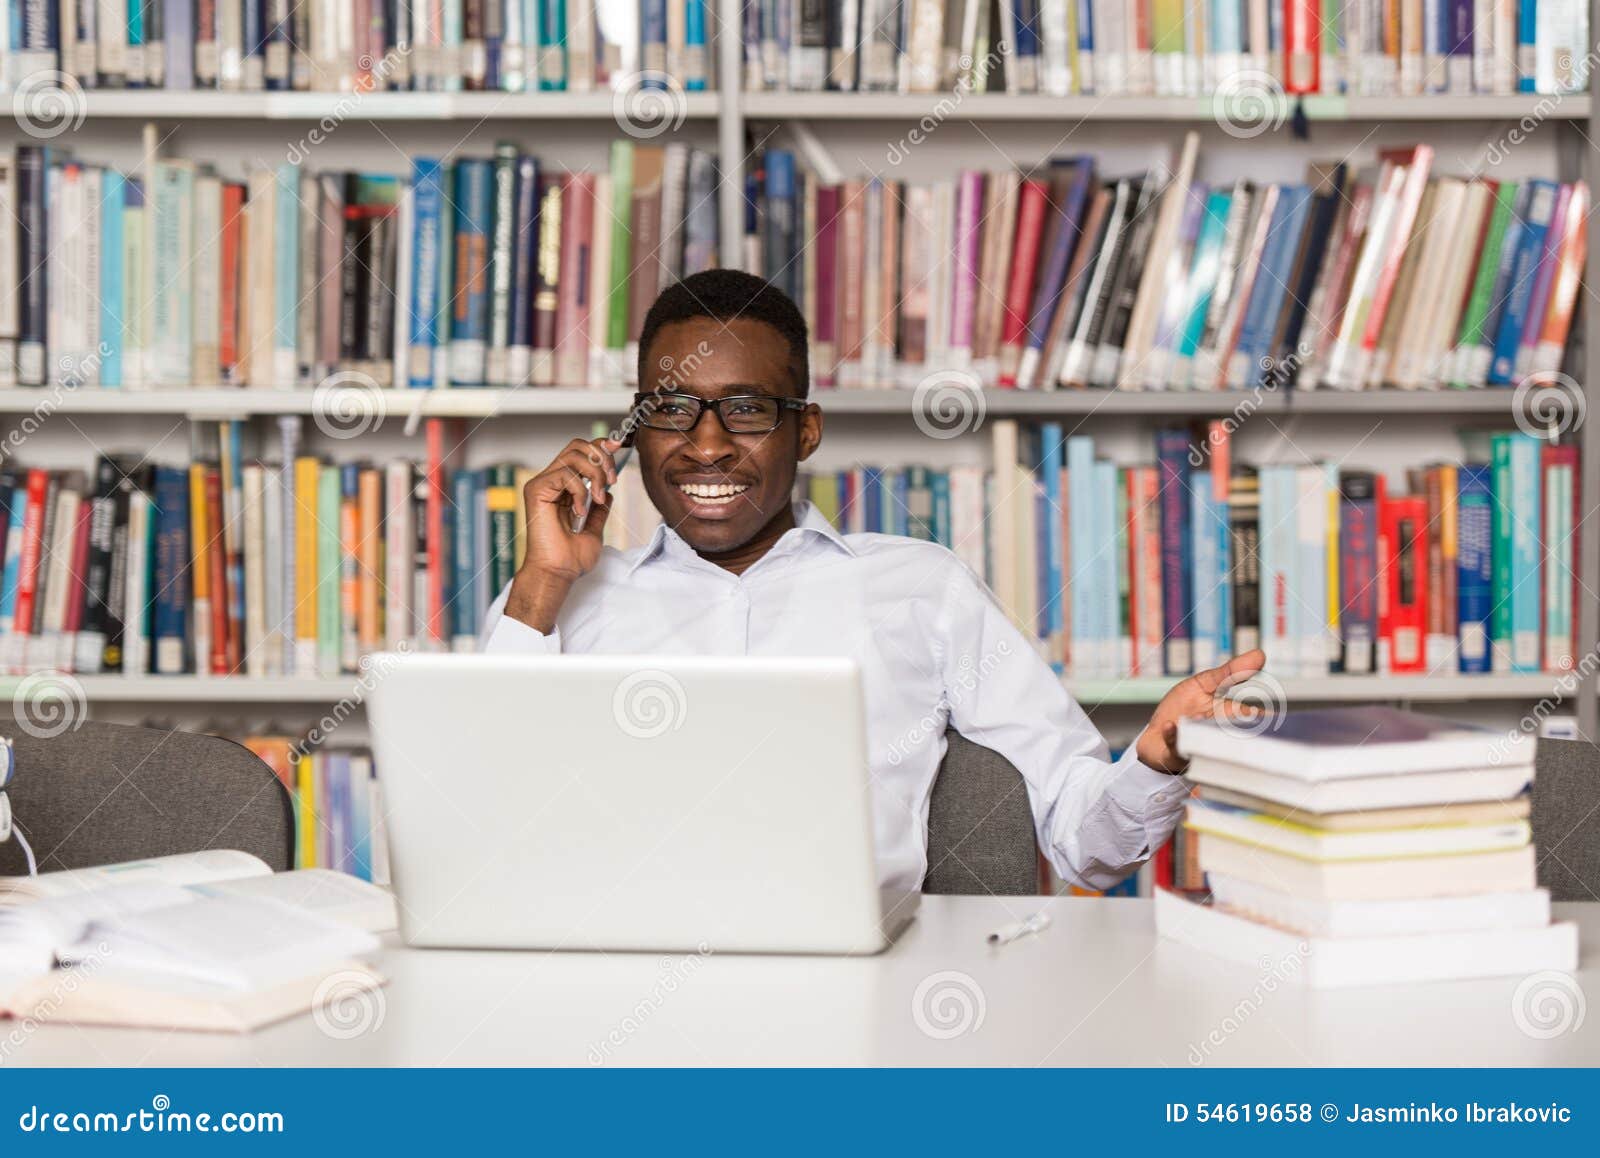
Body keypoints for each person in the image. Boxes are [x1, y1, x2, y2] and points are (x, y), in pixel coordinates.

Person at [479, 269, 1267, 894]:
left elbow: (1086, 843)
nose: (707, 446)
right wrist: (540, 585)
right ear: (632, 431)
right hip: (612, 997)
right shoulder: (559, 599)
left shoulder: (920, 590)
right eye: (673, 408)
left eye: (748, 410)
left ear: (807, 429)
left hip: (863, 1001)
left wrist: (1155, 762)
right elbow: (480, 822)